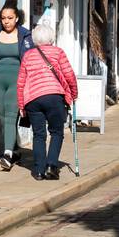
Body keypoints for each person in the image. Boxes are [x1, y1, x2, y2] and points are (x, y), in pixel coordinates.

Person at [16, 23, 78, 181]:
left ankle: (38, 170)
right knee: (56, 132)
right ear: (52, 38)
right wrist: (74, 93)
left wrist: (21, 105)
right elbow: (69, 74)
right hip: (53, 96)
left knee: (38, 134)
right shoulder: (58, 52)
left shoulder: (28, 55)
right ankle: (51, 166)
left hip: (33, 99)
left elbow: (21, 82)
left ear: (34, 39)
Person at [0, 0, 34, 171]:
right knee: (3, 118)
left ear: (16, 18)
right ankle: (15, 150)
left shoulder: (25, 36)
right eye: (3, 18)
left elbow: (31, 59)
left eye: (10, 17)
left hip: (17, 81)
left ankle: (7, 154)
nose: (6, 21)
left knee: (10, 115)